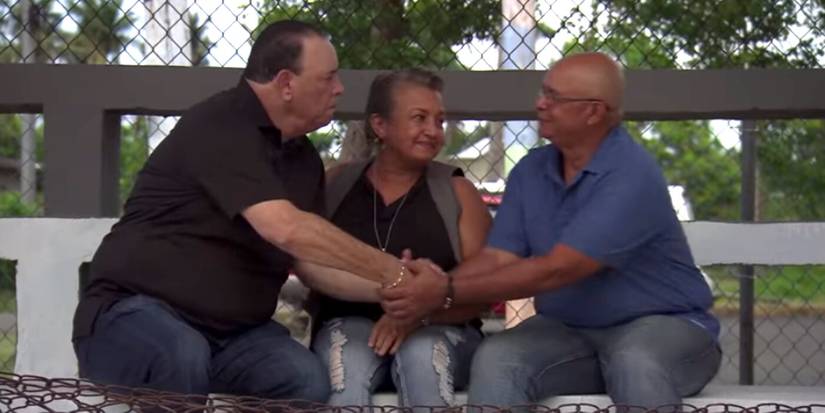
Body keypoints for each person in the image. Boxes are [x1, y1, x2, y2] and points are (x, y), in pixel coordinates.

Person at [72, 20, 416, 407]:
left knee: (303, 378)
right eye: (328, 78)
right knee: (181, 353)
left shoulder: (304, 160)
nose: (339, 88)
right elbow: (285, 228)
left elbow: (310, 263)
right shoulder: (221, 123)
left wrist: (396, 290)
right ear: (286, 83)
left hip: (231, 338)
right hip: (129, 317)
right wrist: (390, 269)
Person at [379, 52, 722, 410]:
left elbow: (560, 269)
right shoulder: (531, 171)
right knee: (499, 356)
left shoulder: (631, 173)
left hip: (668, 329)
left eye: (554, 97)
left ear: (593, 112)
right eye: (544, 92)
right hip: (570, 332)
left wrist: (444, 291)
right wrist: (430, 289)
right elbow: (498, 258)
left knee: (634, 361)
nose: (540, 104)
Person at [301, 69, 491, 411]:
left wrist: (419, 314)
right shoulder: (336, 185)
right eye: (419, 118)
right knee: (347, 362)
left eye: (439, 121)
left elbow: (484, 288)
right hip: (350, 324)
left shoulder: (457, 192)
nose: (433, 131)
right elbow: (307, 261)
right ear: (380, 125)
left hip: (440, 328)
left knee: (424, 356)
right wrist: (397, 293)